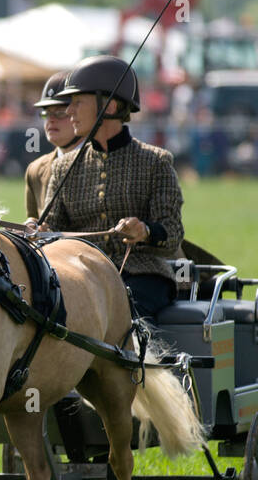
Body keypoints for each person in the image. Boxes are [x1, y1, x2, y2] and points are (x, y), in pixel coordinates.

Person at [26, 55, 184, 321]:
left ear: (109, 106)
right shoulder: (64, 168)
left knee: (119, 317)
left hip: (141, 277)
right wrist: (39, 232)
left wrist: (144, 231)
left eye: (77, 103)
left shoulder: (156, 162)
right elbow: (51, 229)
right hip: (79, 276)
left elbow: (173, 233)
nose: (69, 111)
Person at [23, 71, 81, 221]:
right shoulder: (35, 170)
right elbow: (34, 218)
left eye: (60, 113)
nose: (51, 120)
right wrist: (30, 225)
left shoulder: (100, 161)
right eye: (46, 113)